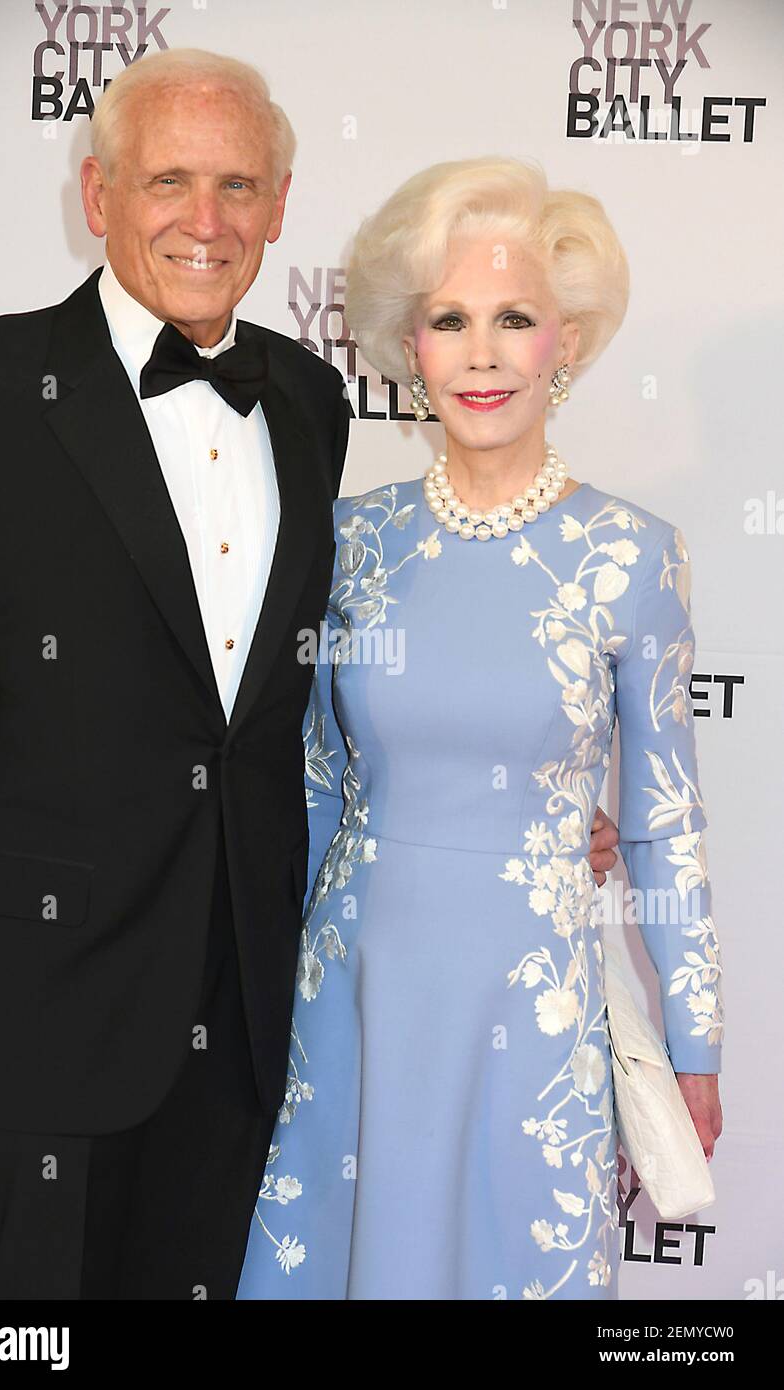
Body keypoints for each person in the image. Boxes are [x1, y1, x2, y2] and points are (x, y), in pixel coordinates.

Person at [236, 156, 723, 1302]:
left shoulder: (630, 555)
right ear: (409, 347)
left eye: (514, 319)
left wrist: (694, 1044)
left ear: (569, 341)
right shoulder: (347, 541)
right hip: (354, 984)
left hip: (530, 993)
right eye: (450, 320)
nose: (484, 352)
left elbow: (663, 818)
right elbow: (304, 788)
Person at [0, 47, 353, 1300]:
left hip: (246, 992)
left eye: (236, 185)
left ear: (279, 204)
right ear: (99, 193)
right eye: (168, 180)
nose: (203, 222)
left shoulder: (313, 400)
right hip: (42, 997)